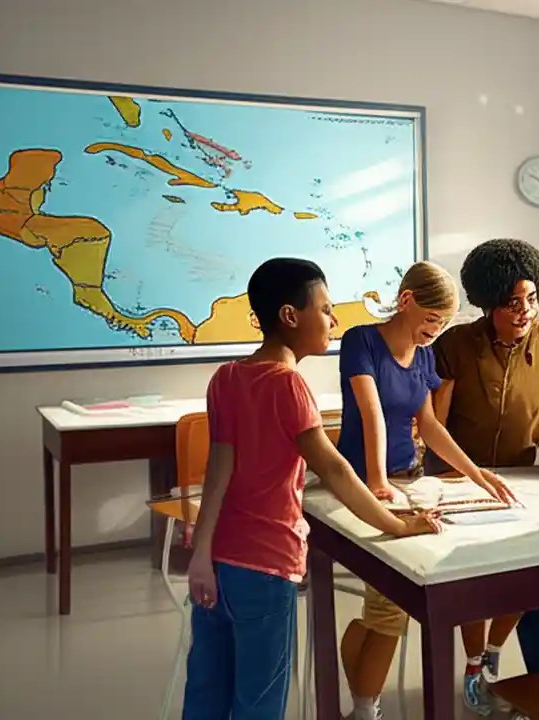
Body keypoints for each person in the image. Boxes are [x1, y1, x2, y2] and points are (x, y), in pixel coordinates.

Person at [182, 258, 440, 720]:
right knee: (259, 701)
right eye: (324, 308)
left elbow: (217, 472)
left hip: (219, 562)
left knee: (206, 691)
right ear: (289, 316)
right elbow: (337, 471)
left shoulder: (225, 378)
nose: (333, 319)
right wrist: (397, 526)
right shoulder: (289, 385)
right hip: (265, 566)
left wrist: (201, 554)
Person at [336, 261, 518, 720]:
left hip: (406, 478)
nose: (435, 332)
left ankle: (362, 702)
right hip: (359, 481)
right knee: (389, 608)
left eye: (443, 324)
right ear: (406, 302)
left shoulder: (421, 358)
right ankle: (364, 709)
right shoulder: (363, 341)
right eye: (431, 320)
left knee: (384, 605)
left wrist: (477, 474)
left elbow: (430, 427)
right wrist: (377, 480)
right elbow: (372, 412)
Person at [428, 238, 539, 714]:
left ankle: (491, 653)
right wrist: (469, 474)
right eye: (514, 302)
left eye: (533, 299)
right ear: (489, 302)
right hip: (457, 479)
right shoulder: (455, 344)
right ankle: (475, 664)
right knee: (473, 580)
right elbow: (434, 423)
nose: (526, 311)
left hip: (519, 479)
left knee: (521, 577)